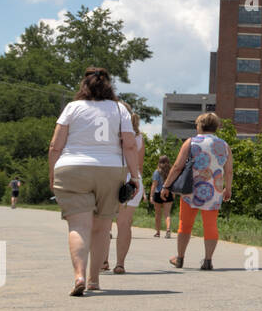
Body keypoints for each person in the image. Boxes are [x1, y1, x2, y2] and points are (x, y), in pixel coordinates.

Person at [48, 67, 144, 296]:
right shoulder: (120, 109)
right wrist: (134, 176)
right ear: (110, 87)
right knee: (101, 228)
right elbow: (129, 145)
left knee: (79, 226)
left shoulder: (72, 108)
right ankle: (93, 280)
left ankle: (78, 275)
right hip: (110, 170)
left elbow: (55, 146)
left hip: (72, 168)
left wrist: (53, 174)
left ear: (84, 86)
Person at [160, 112, 232, 271]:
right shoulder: (224, 145)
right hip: (214, 190)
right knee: (211, 225)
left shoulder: (191, 142)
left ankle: (179, 258)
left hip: (191, 189)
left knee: (185, 225)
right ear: (216, 126)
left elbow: (177, 166)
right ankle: (207, 260)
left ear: (200, 125)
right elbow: (229, 171)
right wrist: (228, 188)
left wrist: (166, 186)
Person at [101, 106, 145, 274]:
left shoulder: (108, 133)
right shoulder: (138, 137)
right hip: (132, 181)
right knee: (124, 224)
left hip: (111, 178)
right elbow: (139, 166)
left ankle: (103, 261)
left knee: (104, 223)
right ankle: (120, 264)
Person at [150, 155, 174, 238]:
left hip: (158, 193)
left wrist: (151, 196)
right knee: (167, 214)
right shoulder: (171, 171)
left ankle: (158, 232)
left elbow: (154, 185)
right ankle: (168, 230)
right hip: (168, 193)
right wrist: (173, 194)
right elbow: (173, 184)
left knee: (158, 214)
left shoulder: (157, 172)